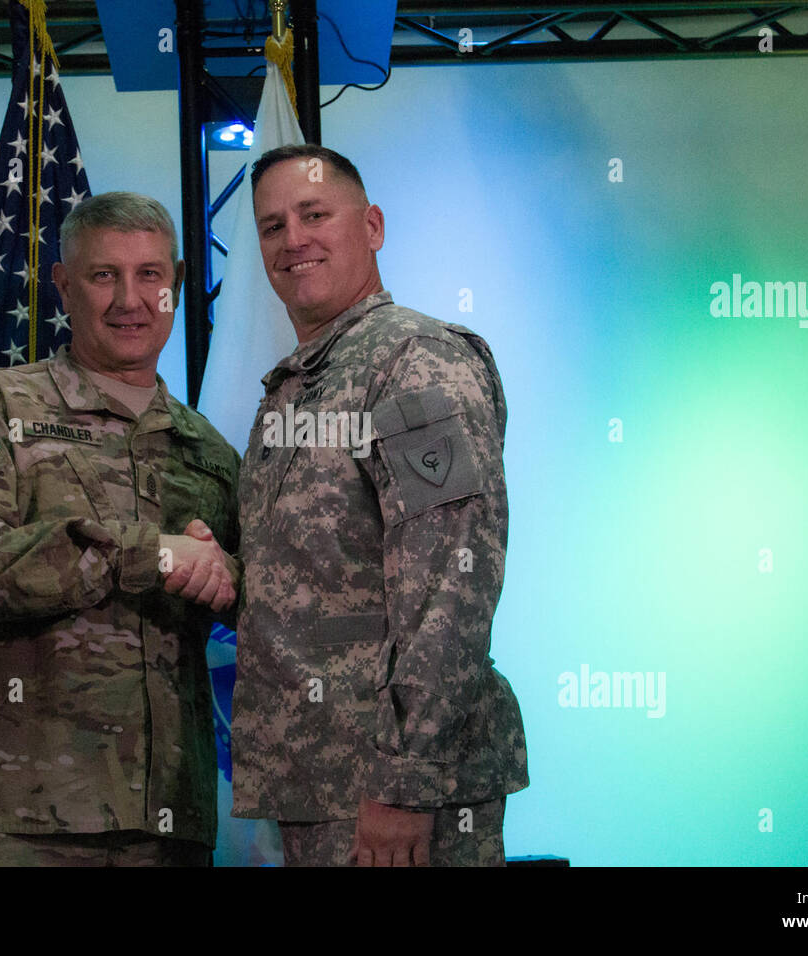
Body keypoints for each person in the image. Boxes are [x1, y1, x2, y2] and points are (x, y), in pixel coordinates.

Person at [0, 192, 240, 867]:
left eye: (149, 276)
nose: (129, 299)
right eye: (102, 274)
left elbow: (260, 601)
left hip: (169, 825)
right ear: (62, 283)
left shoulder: (211, 452)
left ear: (174, 282)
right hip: (17, 822)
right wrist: (144, 556)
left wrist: (229, 575)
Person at [230, 145, 528, 866]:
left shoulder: (412, 361)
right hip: (317, 782)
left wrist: (407, 782)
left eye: (313, 215)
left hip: (386, 795)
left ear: (372, 226)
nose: (292, 239)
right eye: (272, 226)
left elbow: (452, 581)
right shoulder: (300, 385)